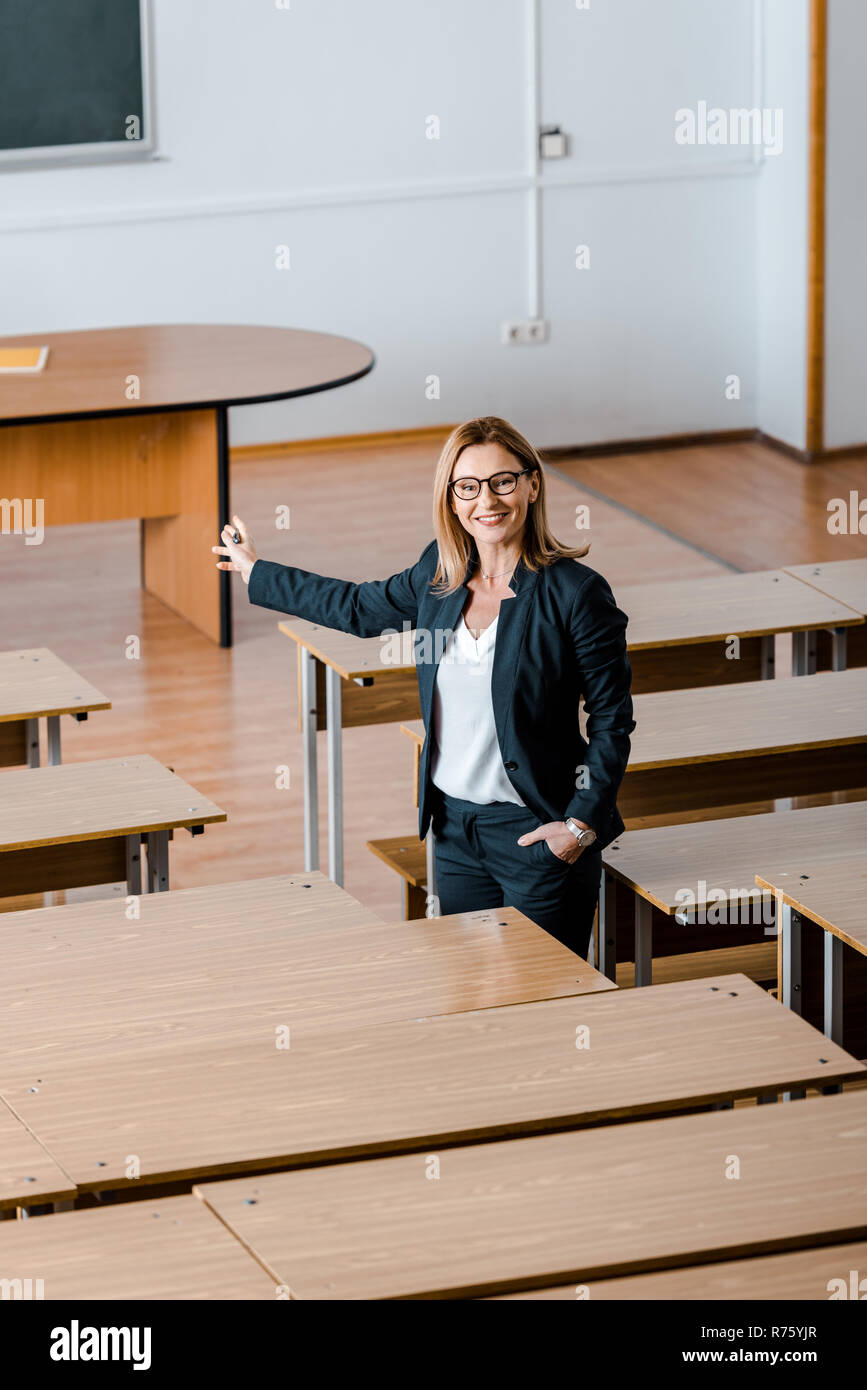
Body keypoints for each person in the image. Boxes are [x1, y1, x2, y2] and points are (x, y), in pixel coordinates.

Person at [212, 416, 634, 959]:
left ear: (531, 484)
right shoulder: (438, 575)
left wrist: (578, 828)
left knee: (543, 1003)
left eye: (503, 481)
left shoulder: (576, 594)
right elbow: (358, 607)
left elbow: (611, 721)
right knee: (466, 991)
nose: (488, 499)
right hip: (455, 833)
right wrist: (255, 569)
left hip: (536, 832)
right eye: (468, 487)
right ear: (453, 500)